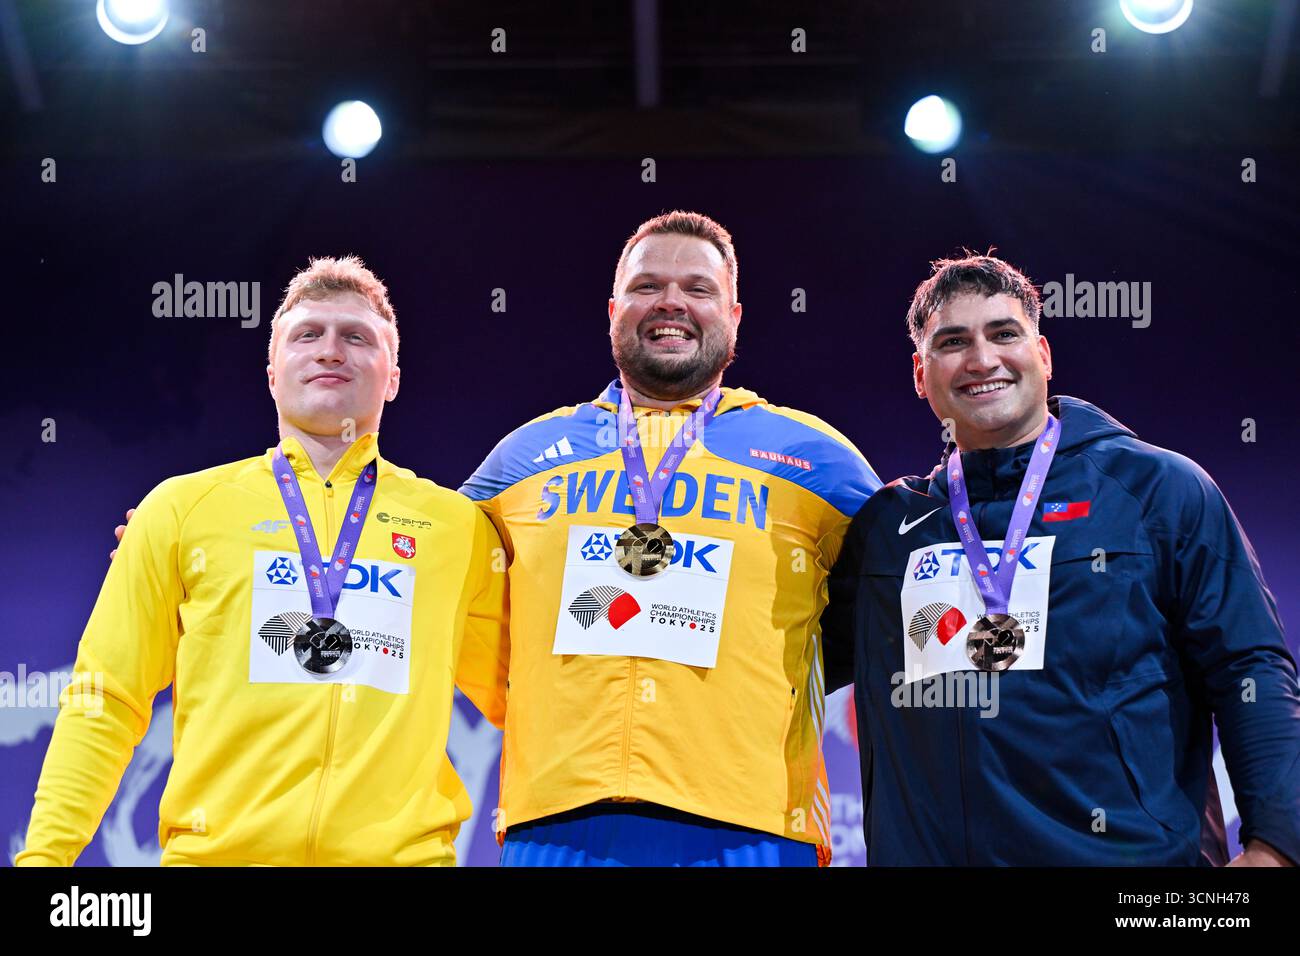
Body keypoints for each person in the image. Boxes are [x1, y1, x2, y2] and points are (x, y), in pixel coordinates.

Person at [18, 256, 508, 866]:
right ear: (272, 372)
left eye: (357, 337)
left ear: (393, 378)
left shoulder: (456, 530)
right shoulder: (182, 509)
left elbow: (526, 695)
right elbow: (106, 695)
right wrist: (44, 859)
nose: (331, 350)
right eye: (308, 335)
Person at [822, 253, 1300, 866]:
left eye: (1003, 333)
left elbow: (1248, 667)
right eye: (952, 342)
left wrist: (1277, 845)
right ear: (921, 374)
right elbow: (787, 664)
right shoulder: (889, 528)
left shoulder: (1157, 490)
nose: (982, 359)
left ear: (1043, 355)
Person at [460, 211, 881, 866]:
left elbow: (887, 601)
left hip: (752, 829)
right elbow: (449, 601)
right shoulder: (525, 457)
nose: (671, 303)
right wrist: (534, 708)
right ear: (612, 311)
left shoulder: (814, 458)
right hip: (556, 823)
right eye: (647, 285)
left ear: (733, 315)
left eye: (698, 288)